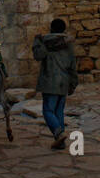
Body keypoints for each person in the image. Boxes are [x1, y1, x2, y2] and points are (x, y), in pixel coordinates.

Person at [32, 18, 77, 150]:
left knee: (48, 110)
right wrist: (73, 82)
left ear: (51, 28)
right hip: (64, 81)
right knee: (59, 111)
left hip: (50, 80)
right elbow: (72, 64)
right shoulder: (68, 43)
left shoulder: (45, 41)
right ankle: (60, 141)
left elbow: (38, 56)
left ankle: (58, 132)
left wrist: (37, 41)